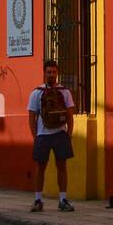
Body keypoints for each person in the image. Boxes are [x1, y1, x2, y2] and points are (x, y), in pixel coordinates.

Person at [27, 61, 75, 212]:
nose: (51, 75)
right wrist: (35, 136)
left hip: (60, 133)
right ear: (44, 73)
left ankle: (62, 199)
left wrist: (69, 133)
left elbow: (70, 115)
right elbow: (31, 116)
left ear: (57, 73)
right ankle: (37, 200)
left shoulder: (65, 92)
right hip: (43, 135)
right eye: (49, 72)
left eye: (54, 72)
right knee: (40, 168)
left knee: (62, 167)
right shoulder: (36, 93)